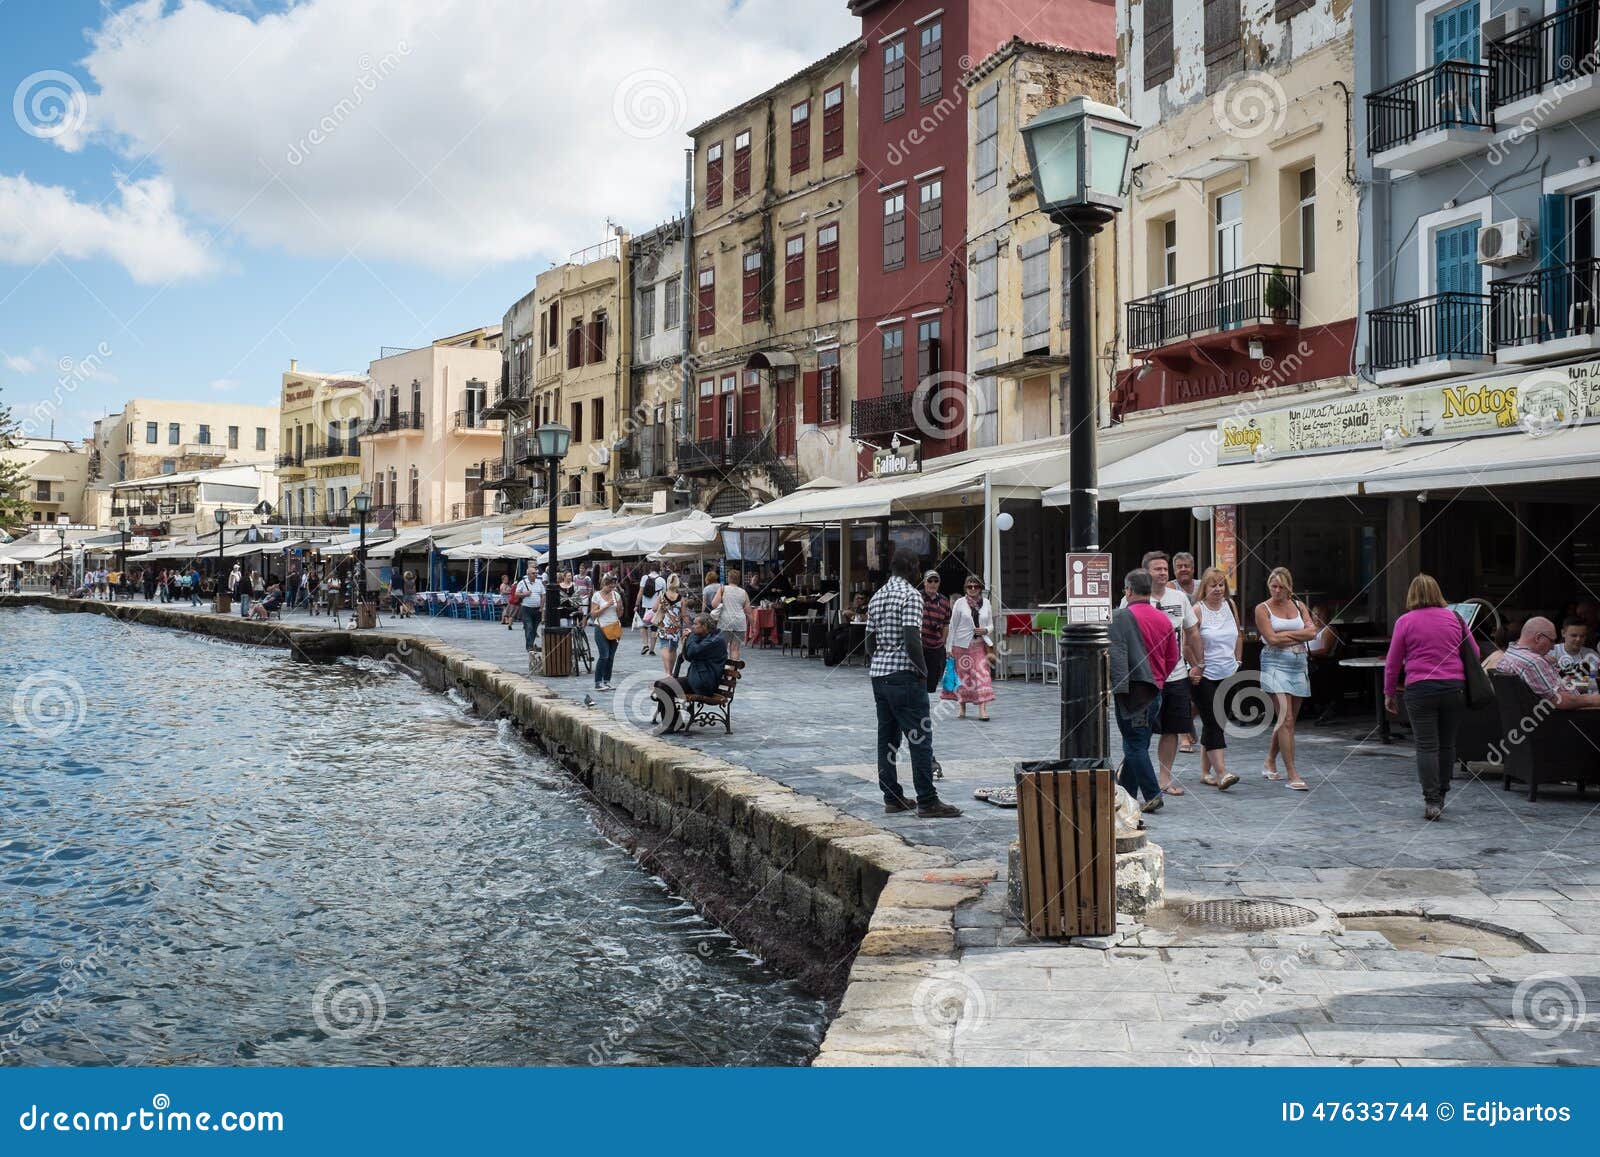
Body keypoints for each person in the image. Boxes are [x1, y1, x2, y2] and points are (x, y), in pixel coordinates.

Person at [865, 547, 960, 818]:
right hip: (904, 677)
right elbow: (911, 639)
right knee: (919, 738)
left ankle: (892, 796)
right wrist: (923, 672)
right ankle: (928, 800)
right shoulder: (911, 596)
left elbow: (870, 642)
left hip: (880, 676)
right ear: (912, 568)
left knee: (888, 739)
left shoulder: (878, 596)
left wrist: (882, 659)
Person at [1383, 574, 1480, 821]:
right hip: (1453, 688)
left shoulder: (1405, 622)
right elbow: (1475, 652)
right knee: (1447, 745)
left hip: (1420, 689)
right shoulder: (1455, 618)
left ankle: (1432, 801)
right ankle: (1443, 794)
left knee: (1426, 746)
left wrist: (1389, 692)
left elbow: (1393, 663)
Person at [1119, 551, 1200, 797]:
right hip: (1145, 680)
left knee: (1169, 729)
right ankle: (1132, 789)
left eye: (1165, 569)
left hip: (1173, 676)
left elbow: (1192, 631)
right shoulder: (1127, 604)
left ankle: (1161, 781)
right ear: (1146, 572)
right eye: (1158, 569)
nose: (1163, 573)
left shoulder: (1180, 597)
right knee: (1138, 737)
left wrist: (1198, 663)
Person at [1110, 568, 1178, 812]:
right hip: (1155, 691)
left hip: (1133, 691)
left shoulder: (1119, 617)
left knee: (1134, 745)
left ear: (1128, 591)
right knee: (1138, 742)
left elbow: (1114, 657)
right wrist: (1159, 680)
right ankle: (1125, 794)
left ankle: (1151, 795)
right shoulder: (1163, 619)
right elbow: (1173, 657)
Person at [1255, 566, 1317, 790]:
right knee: (1286, 719)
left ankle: (1270, 760)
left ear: (1289, 587)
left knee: (1288, 721)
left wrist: (1284, 636)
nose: (1277, 590)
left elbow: (1313, 632)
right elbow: (1271, 639)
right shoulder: (1262, 609)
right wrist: (1294, 636)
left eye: (1281, 586)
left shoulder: (1300, 606)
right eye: (1273, 586)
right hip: (1274, 663)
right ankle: (1292, 773)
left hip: (1299, 663)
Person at [1193, 566, 1242, 791]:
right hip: (1205, 675)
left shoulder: (1230, 606)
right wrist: (1196, 666)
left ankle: (1205, 772)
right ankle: (1222, 772)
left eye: (1221, 584)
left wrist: (1238, 661)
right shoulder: (1197, 610)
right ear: (1204, 587)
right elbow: (1188, 642)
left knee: (1217, 722)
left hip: (1229, 671)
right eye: (1213, 585)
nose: (1218, 589)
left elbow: (1238, 635)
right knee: (1214, 721)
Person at [1497, 617, 1600, 709]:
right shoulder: (1534, 662)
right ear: (1538, 638)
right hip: (1563, 720)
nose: (1552, 647)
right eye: (1552, 641)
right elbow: (1561, 700)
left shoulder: (1511, 653)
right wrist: (1593, 699)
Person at [941, 575, 995, 721]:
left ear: (980, 588)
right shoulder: (960, 603)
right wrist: (948, 647)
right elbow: (952, 626)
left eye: (975, 586)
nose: (972, 589)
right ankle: (962, 707)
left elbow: (991, 625)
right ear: (965, 588)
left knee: (982, 676)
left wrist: (985, 630)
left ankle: (982, 710)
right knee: (964, 678)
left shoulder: (987, 603)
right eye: (969, 586)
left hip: (979, 645)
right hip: (961, 645)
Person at [679, 613, 728, 696]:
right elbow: (688, 657)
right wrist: (686, 640)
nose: (692, 627)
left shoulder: (715, 640)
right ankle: (671, 709)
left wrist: (692, 635)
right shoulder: (704, 636)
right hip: (696, 678)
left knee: (665, 687)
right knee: (662, 685)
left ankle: (670, 709)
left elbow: (692, 652)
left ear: (704, 626)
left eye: (695, 624)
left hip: (704, 684)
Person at [919, 571, 952, 696]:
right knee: (918, 679)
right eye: (930, 581)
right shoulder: (917, 597)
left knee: (931, 683)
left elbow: (946, 623)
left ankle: (924, 704)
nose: (933, 584)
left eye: (935, 581)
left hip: (936, 646)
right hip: (920, 645)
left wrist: (943, 639)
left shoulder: (944, 601)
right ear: (924, 582)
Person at [589, 571, 623, 691]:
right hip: (601, 627)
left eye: (613, 586)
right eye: (610, 586)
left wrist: (619, 607)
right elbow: (593, 614)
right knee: (604, 655)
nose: (612, 588)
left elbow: (620, 614)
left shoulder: (616, 595)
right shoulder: (597, 595)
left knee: (611, 657)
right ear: (605, 584)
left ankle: (607, 681)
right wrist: (606, 605)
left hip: (614, 627)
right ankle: (598, 682)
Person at [712, 567, 750, 661]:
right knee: (735, 648)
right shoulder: (744, 592)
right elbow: (749, 612)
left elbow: (714, 604)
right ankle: (732, 671)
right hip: (740, 622)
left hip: (726, 621)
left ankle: (723, 670)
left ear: (728, 578)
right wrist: (753, 627)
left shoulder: (723, 589)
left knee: (723, 647)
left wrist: (722, 604)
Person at [657, 574, 686, 677]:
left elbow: (654, 608)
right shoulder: (681, 598)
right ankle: (671, 671)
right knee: (673, 649)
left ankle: (667, 672)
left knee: (664, 647)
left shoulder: (661, 595)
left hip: (664, 624)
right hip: (676, 627)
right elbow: (684, 614)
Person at [515, 567, 544, 653]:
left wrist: (542, 607)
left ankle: (530, 644)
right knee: (529, 627)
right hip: (526, 608)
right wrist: (524, 594)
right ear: (528, 574)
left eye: (536, 573)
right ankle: (529, 646)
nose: (535, 574)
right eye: (533, 573)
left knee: (534, 629)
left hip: (537, 609)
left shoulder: (539, 583)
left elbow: (543, 595)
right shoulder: (522, 583)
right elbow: (516, 594)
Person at [639, 565, 662, 655]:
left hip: (645, 607)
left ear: (650, 569)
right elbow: (663, 596)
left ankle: (645, 645)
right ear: (659, 570)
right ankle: (652, 650)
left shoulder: (644, 578)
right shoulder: (662, 580)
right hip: (656, 608)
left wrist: (637, 604)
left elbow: (640, 592)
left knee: (643, 626)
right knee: (654, 628)